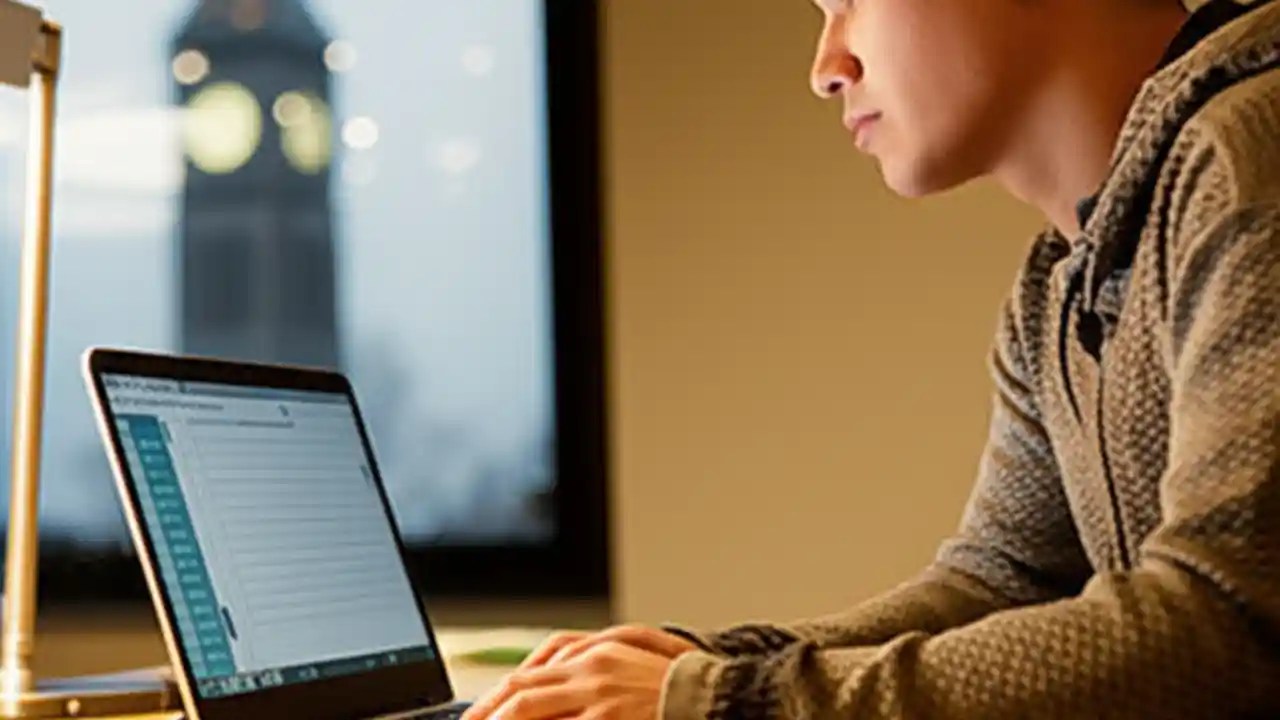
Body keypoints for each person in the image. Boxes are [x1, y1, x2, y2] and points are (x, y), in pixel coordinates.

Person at [462, 0, 1280, 717]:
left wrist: (725, 703)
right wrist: (692, 664)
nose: (826, 68)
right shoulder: (1054, 288)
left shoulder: (1251, 156)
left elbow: (1226, 622)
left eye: (851, 0)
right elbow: (1003, 582)